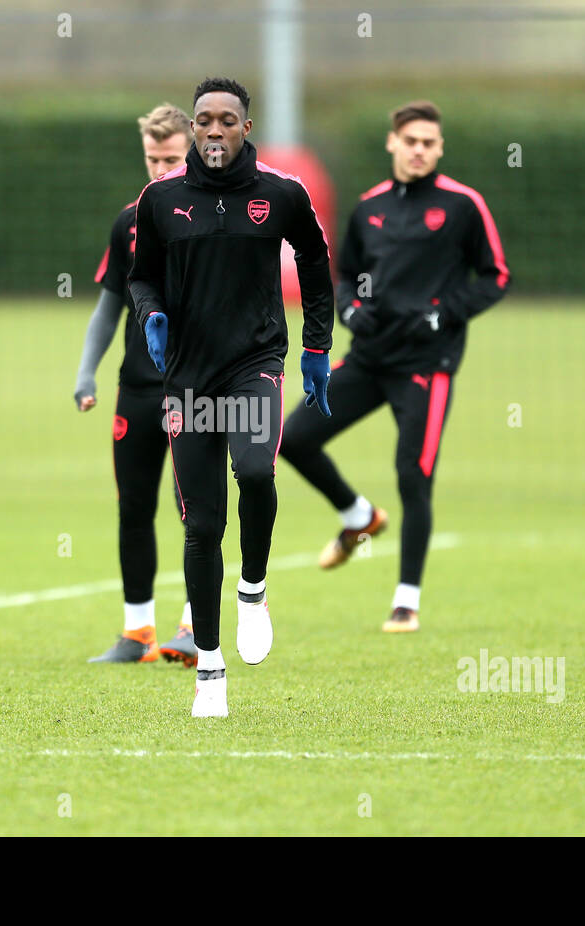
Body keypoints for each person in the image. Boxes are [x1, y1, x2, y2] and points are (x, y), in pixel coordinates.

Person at [128, 77, 334, 717]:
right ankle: (209, 674)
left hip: (256, 363)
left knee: (254, 470)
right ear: (192, 128)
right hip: (189, 378)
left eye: (226, 120)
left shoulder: (281, 194)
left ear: (247, 126)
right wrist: (152, 315)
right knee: (202, 528)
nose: (213, 130)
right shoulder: (162, 200)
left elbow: (318, 267)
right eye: (203, 121)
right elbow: (141, 278)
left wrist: (317, 348)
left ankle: (252, 589)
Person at [279, 100, 510, 633]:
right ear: (393, 143)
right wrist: (352, 310)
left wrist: (443, 314)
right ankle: (358, 517)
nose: (419, 150)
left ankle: (406, 600)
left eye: (429, 143)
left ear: (440, 148)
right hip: (368, 359)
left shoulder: (463, 206)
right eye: (411, 141)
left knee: (414, 473)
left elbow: (496, 276)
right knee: (290, 439)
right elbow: (344, 276)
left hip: (427, 366)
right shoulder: (369, 208)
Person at [75, 103, 198, 666]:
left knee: (196, 509)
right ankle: (138, 633)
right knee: (133, 509)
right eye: (153, 159)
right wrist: (86, 373)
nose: (161, 170)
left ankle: (196, 626)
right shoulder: (128, 222)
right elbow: (108, 308)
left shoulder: (215, 218)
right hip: (137, 390)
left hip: (195, 389)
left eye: (171, 159)